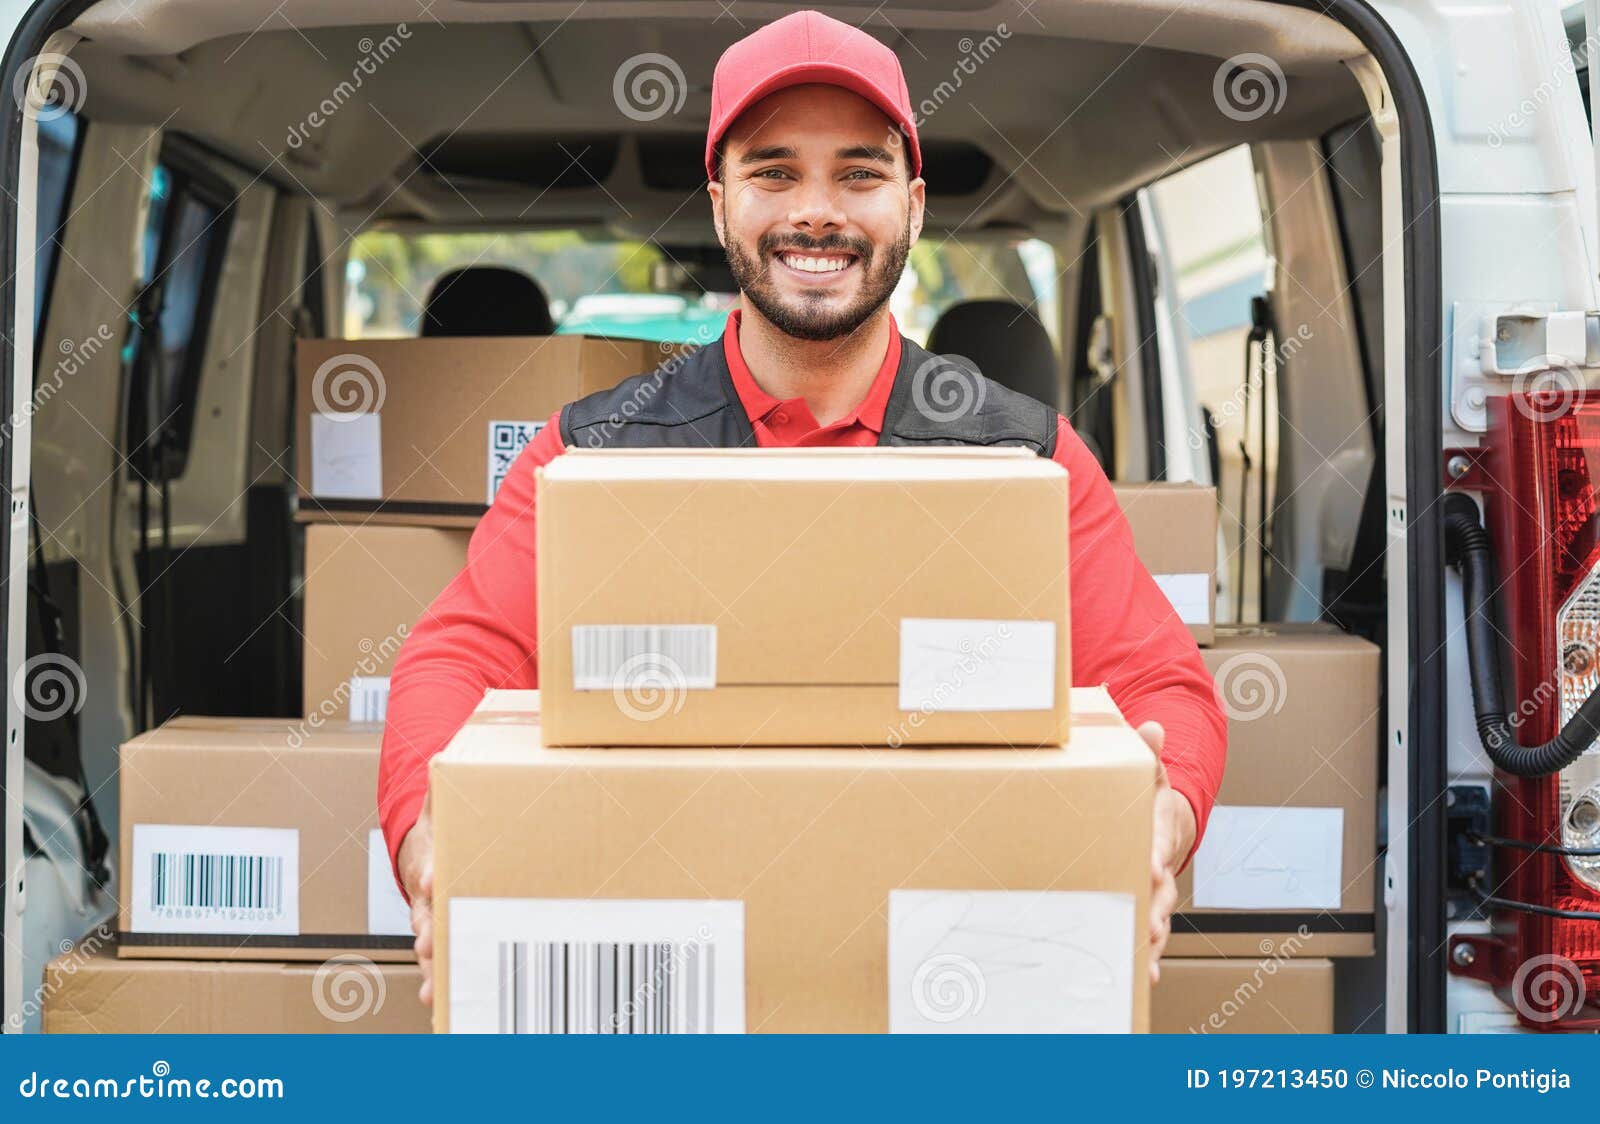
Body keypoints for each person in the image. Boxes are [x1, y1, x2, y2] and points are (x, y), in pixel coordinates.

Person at [379, 8, 1227, 1005]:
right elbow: (459, 655)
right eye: (774, 172)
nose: (815, 211)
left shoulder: (1026, 455)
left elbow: (1158, 684)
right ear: (720, 199)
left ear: (912, 204)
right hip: (667, 970)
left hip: (934, 974)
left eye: (857, 174)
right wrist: (430, 837)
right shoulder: (592, 453)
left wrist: (1158, 818)